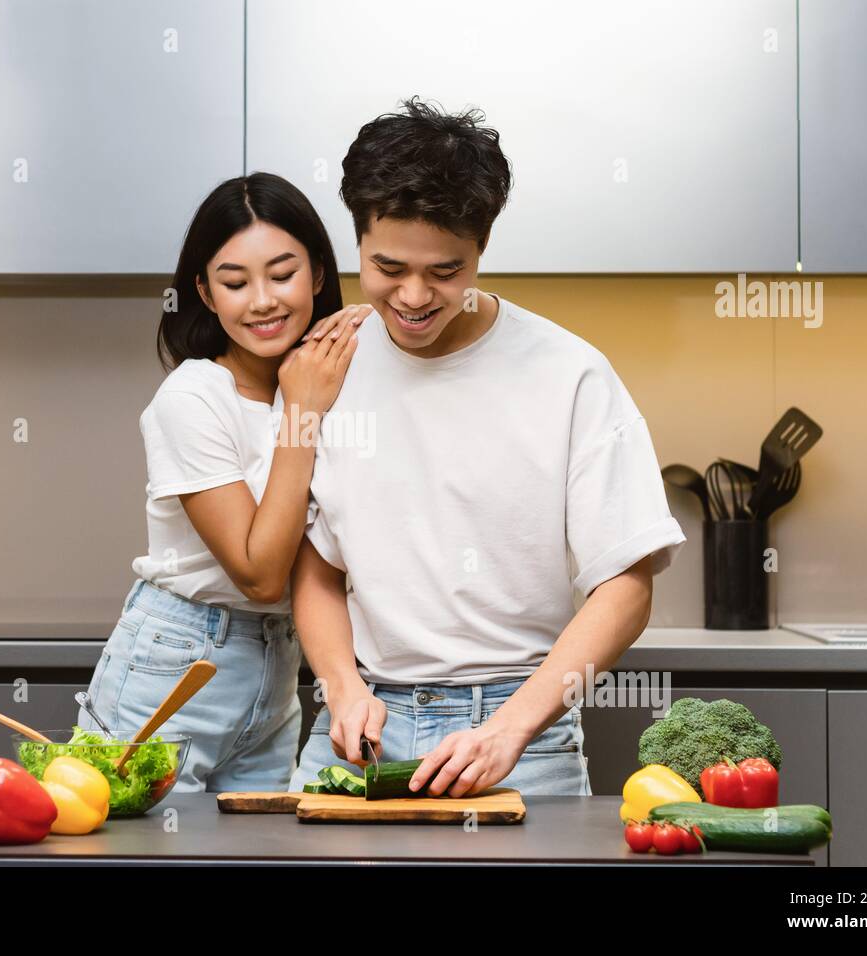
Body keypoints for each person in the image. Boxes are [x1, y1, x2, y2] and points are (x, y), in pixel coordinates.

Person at [288, 99, 686, 797]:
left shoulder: (569, 375)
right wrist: (342, 687)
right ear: (357, 243)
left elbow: (625, 586)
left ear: (482, 246)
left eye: (445, 270)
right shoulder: (330, 367)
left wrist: (511, 728)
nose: (413, 296)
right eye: (387, 267)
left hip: (518, 736)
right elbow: (318, 567)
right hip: (354, 735)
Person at [81, 172, 370, 791]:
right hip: (177, 661)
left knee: (252, 860)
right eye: (235, 283)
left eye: (283, 274)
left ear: (318, 274)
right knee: (131, 855)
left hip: (279, 667)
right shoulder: (192, 398)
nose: (262, 300)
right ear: (207, 295)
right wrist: (300, 413)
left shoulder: (332, 378)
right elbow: (261, 574)